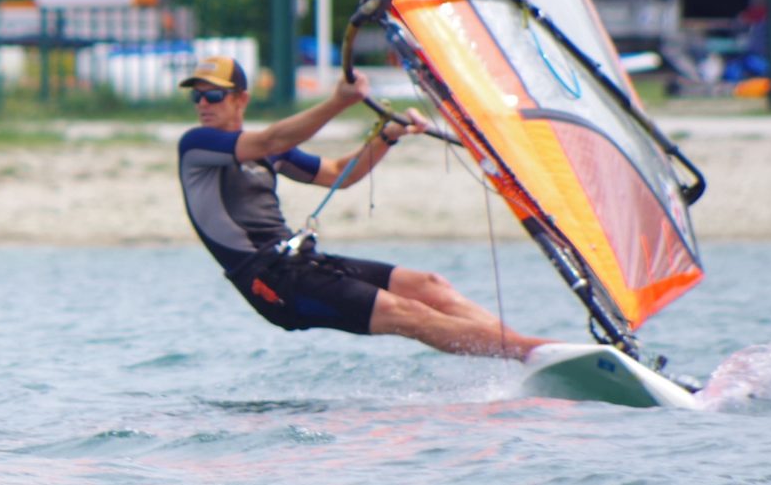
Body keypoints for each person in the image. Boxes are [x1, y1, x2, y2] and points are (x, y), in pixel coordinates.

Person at [176, 55, 551, 359]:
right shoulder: (197, 147)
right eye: (198, 97)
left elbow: (340, 173)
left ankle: (520, 348)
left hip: (302, 264)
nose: (203, 105)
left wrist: (387, 137)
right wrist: (340, 101)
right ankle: (529, 353)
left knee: (429, 286)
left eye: (214, 96)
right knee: (411, 316)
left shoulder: (269, 152)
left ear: (241, 99)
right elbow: (271, 138)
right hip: (273, 285)